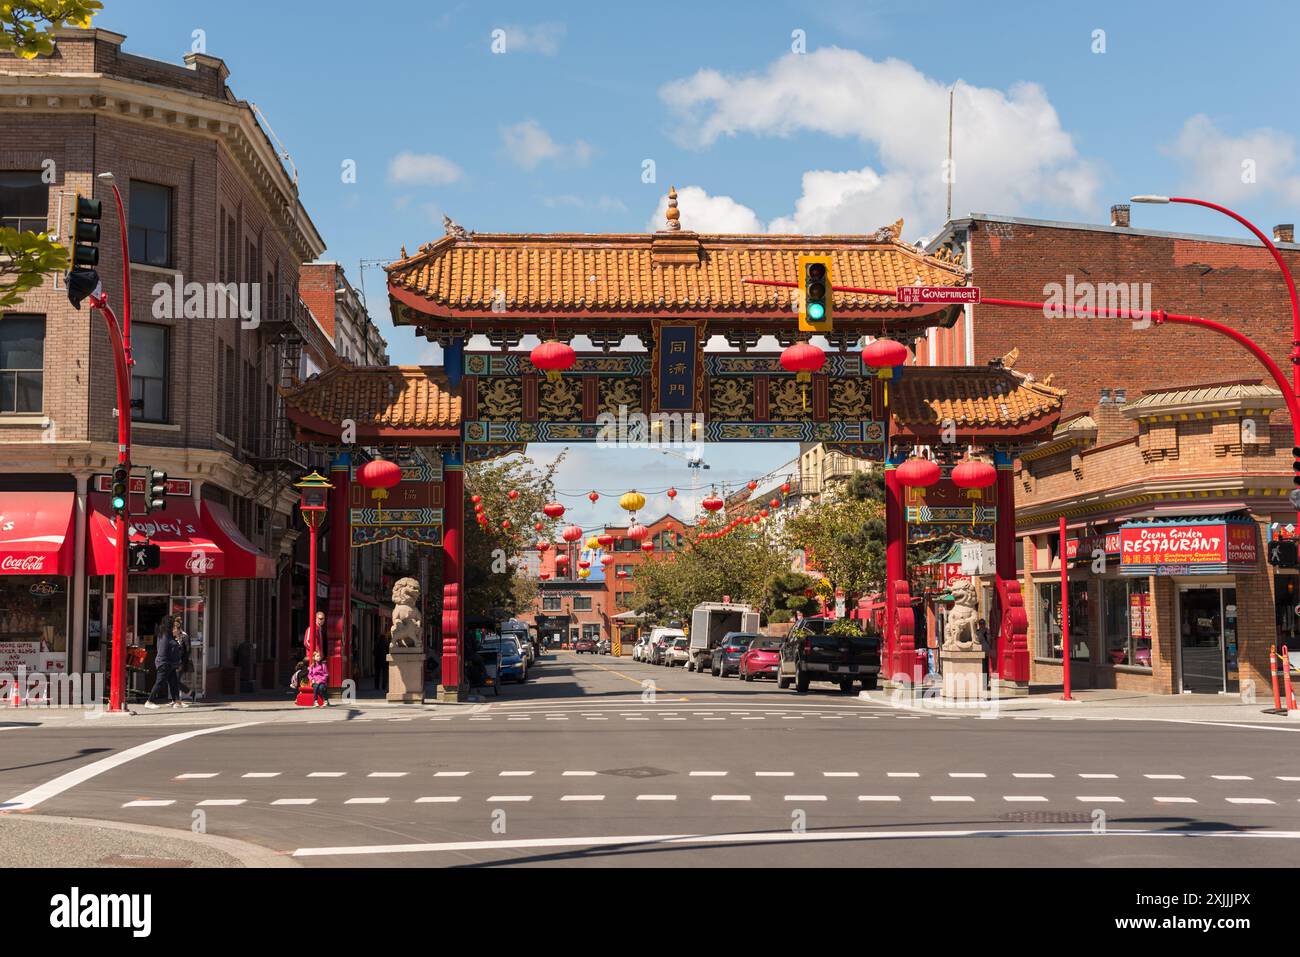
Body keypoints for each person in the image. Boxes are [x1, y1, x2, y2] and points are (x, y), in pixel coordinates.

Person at [145, 623, 187, 709]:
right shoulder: (165, 637)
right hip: (165, 664)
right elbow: (164, 651)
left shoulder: (170, 637)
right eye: (177, 629)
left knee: (174, 683)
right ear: (172, 629)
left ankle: (177, 702)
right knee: (160, 682)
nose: (178, 631)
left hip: (171, 664)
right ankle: (149, 701)